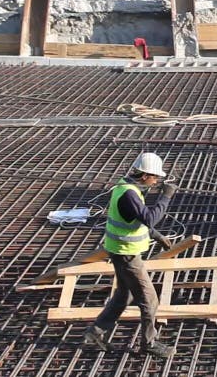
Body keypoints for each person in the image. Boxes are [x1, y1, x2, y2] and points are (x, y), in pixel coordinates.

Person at [84, 152, 178, 358]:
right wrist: (166, 196)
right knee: (150, 299)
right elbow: (150, 218)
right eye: (155, 177)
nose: (157, 181)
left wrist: (156, 235)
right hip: (126, 255)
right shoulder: (129, 194)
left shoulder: (126, 187)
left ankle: (94, 333)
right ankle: (149, 343)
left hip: (120, 251)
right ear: (144, 175)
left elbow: (136, 220)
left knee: (124, 295)